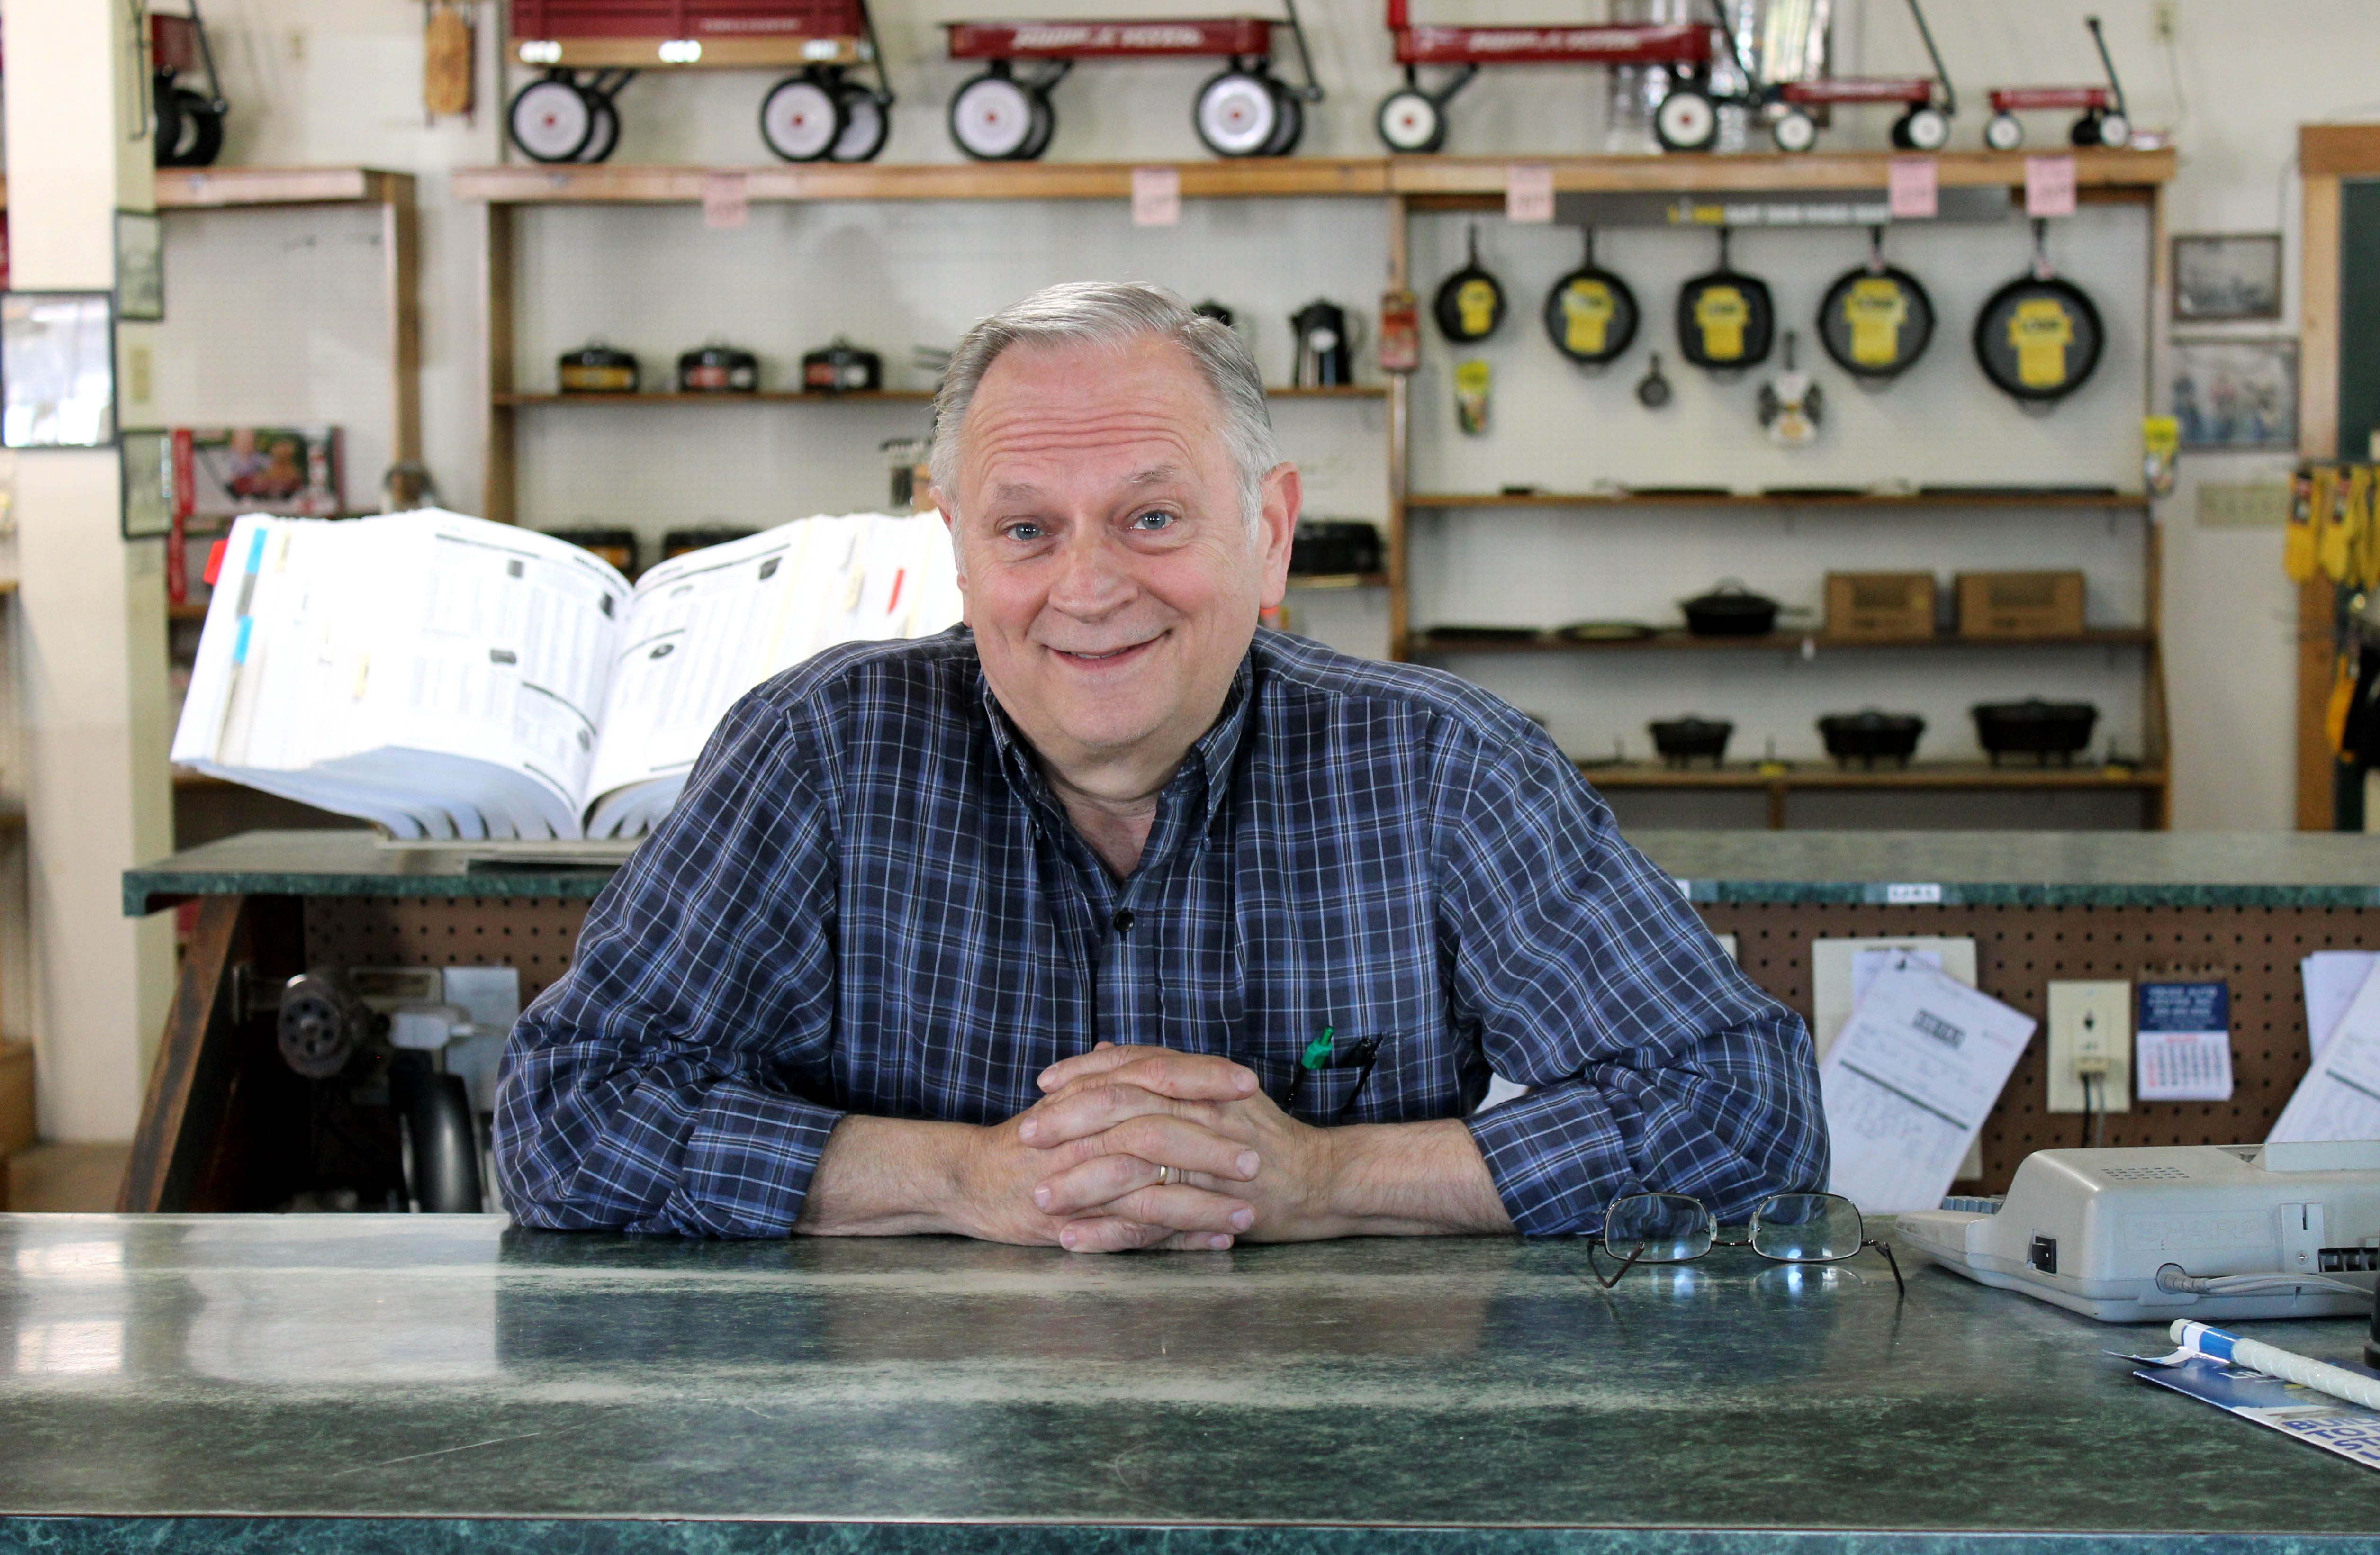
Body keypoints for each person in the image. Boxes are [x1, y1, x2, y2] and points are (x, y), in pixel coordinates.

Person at [495, 281, 1825, 1251]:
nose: (1088, 589)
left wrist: (1320, 1181)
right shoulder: (819, 756)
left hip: (1350, 1471)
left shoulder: (1443, 767)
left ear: (1271, 531)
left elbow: (1743, 1110)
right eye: (1027, 530)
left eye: (1150, 517)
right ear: (957, 549)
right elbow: (567, 1112)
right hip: (908, 1479)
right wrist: (969, 1179)